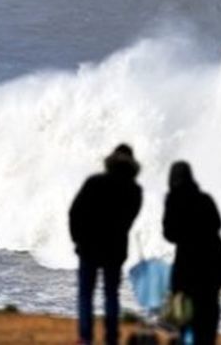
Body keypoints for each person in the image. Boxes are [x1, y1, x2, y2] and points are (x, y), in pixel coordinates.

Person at [69, 144, 143, 345]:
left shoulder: (95, 182)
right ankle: (111, 338)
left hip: (89, 246)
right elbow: (128, 219)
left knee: (86, 293)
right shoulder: (135, 190)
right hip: (115, 248)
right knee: (111, 294)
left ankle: (85, 338)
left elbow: (75, 213)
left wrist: (78, 239)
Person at [162, 161, 221, 345]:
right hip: (212, 261)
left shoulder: (173, 200)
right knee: (208, 310)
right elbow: (218, 224)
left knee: (184, 310)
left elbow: (169, 233)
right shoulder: (204, 198)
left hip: (187, 263)